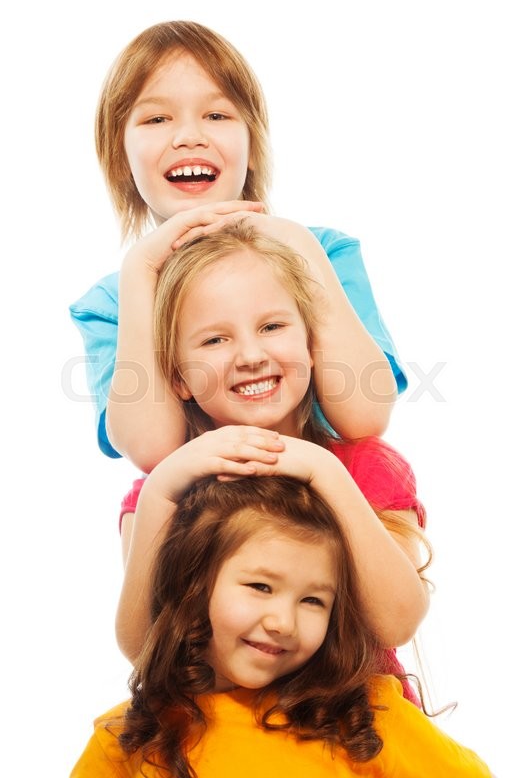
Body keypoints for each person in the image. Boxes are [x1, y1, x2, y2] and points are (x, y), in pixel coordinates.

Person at [69, 20, 405, 541]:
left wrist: (296, 245)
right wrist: (141, 272)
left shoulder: (321, 251)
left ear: (252, 144)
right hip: (214, 513)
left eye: (217, 114)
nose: (188, 135)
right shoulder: (115, 300)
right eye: (156, 118)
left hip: (331, 499)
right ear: (121, 158)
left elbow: (364, 415)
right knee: (145, 500)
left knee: (380, 462)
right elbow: (155, 451)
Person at [116, 222, 430, 697]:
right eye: (214, 340)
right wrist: (163, 488)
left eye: (272, 327)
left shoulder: (367, 468)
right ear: (178, 378)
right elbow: (143, 647)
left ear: (309, 345)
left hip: (360, 744)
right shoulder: (160, 492)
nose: (250, 355)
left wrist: (322, 471)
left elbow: (396, 624)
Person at [70, 475, 492, 778]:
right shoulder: (127, 739)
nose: (283, 622)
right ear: (193, 585)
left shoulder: (366, 716)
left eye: (313, 600)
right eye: (260, 586)